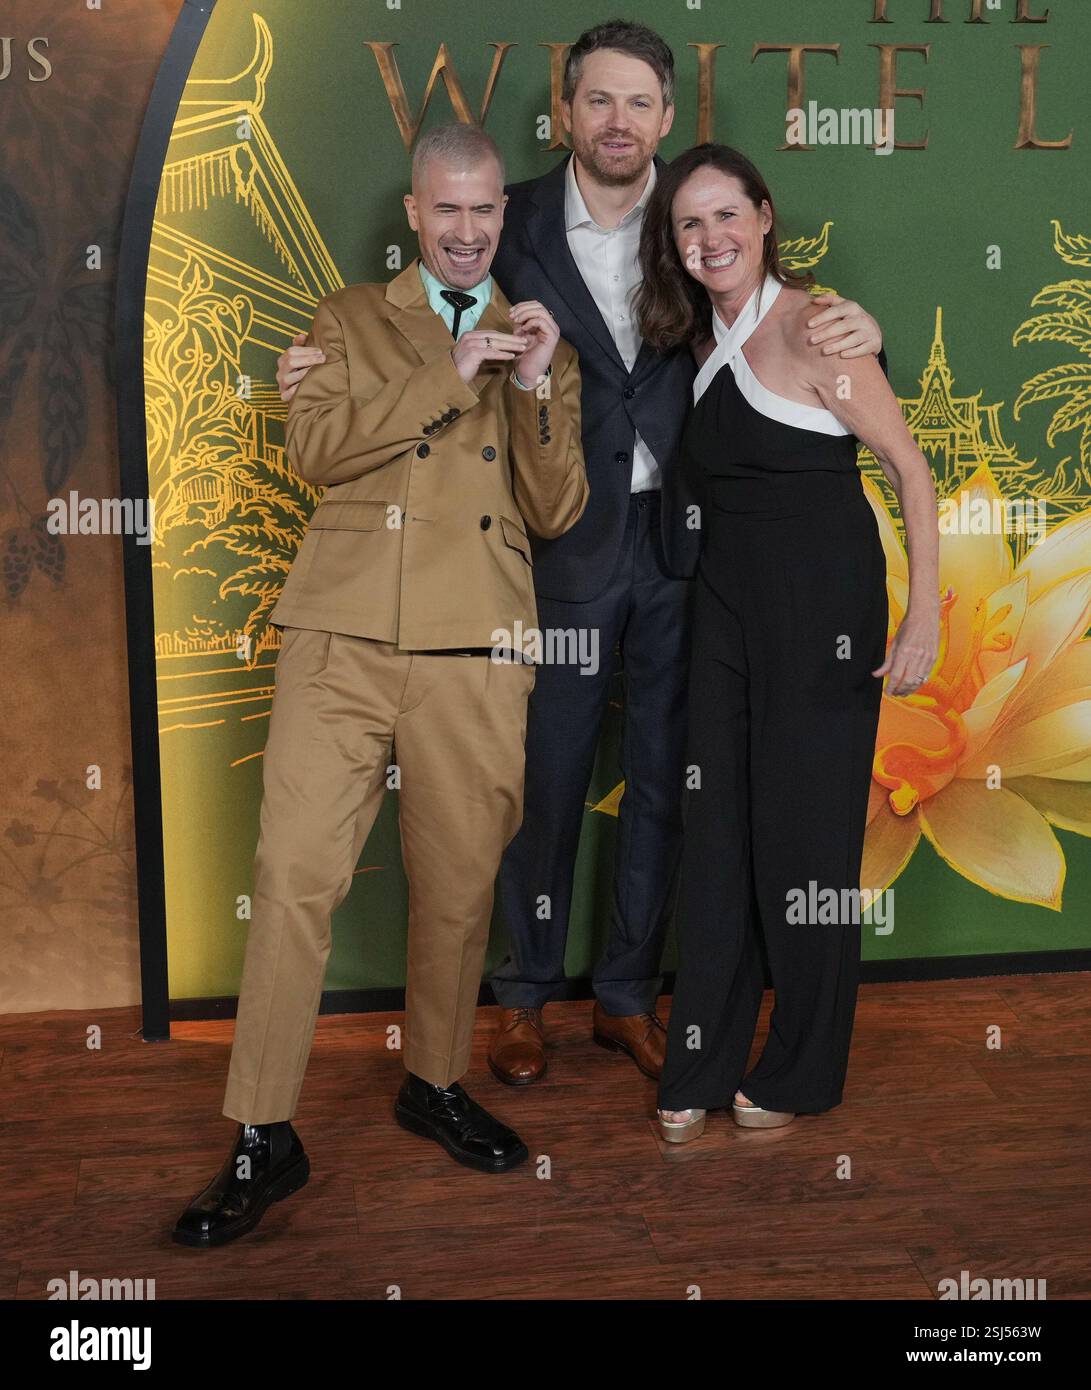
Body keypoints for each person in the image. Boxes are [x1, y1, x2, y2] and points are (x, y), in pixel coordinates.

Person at [277, 20, 884, 1089]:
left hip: (688, 546)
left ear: (665, 115)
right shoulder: (499, 219)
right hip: (551, 541)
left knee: (665, 781)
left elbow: (776, 318)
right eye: (597, 100)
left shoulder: (696, 225)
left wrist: (861, 328)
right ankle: (521, 998)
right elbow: (420, 322)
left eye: (638, 103)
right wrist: (315, 368)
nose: (616, 121)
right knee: (540, 779)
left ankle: (624, 995)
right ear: (563, 113)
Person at [172, 122, 589, 1247]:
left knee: (457, 885)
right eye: (446, 209)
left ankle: (434, 1081)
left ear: (503, 214)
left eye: (485, 209)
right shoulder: (347, 318)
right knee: (292, 876)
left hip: (479, 646)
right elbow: (315, 451)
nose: (467, 230)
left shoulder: (539, 339)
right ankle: (263, 1132)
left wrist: (535, 387)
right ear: (414, 213)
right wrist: (447, 377)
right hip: (341, 636)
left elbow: (557, 510)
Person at [633, 144, 939, 1143]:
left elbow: (908, 468)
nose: (709, 237)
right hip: (723, 611)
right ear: (673, 243)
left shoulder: (819, 325)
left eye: (726, 214)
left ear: (764, 219)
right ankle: (700, 1058)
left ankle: (802, 1068)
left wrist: (924, 614)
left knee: (804, 844)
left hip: (822, 613)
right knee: (716, 836)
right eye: (688, 223)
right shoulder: (694, 342)